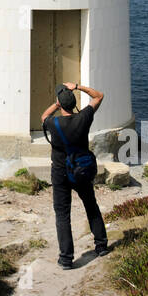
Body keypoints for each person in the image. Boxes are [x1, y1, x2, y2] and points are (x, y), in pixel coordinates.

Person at [41, 82, 109, 269]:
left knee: (63, 214)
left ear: (61, 105)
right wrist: (78, 87)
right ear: (73, 104)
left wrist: (56, 104)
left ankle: (66, 259)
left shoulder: (54, 124)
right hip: (81, 169)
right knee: (91, 206)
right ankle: (101, 245)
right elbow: (99, 96)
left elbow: (44, 116)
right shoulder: (84, 118)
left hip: (61, 173)